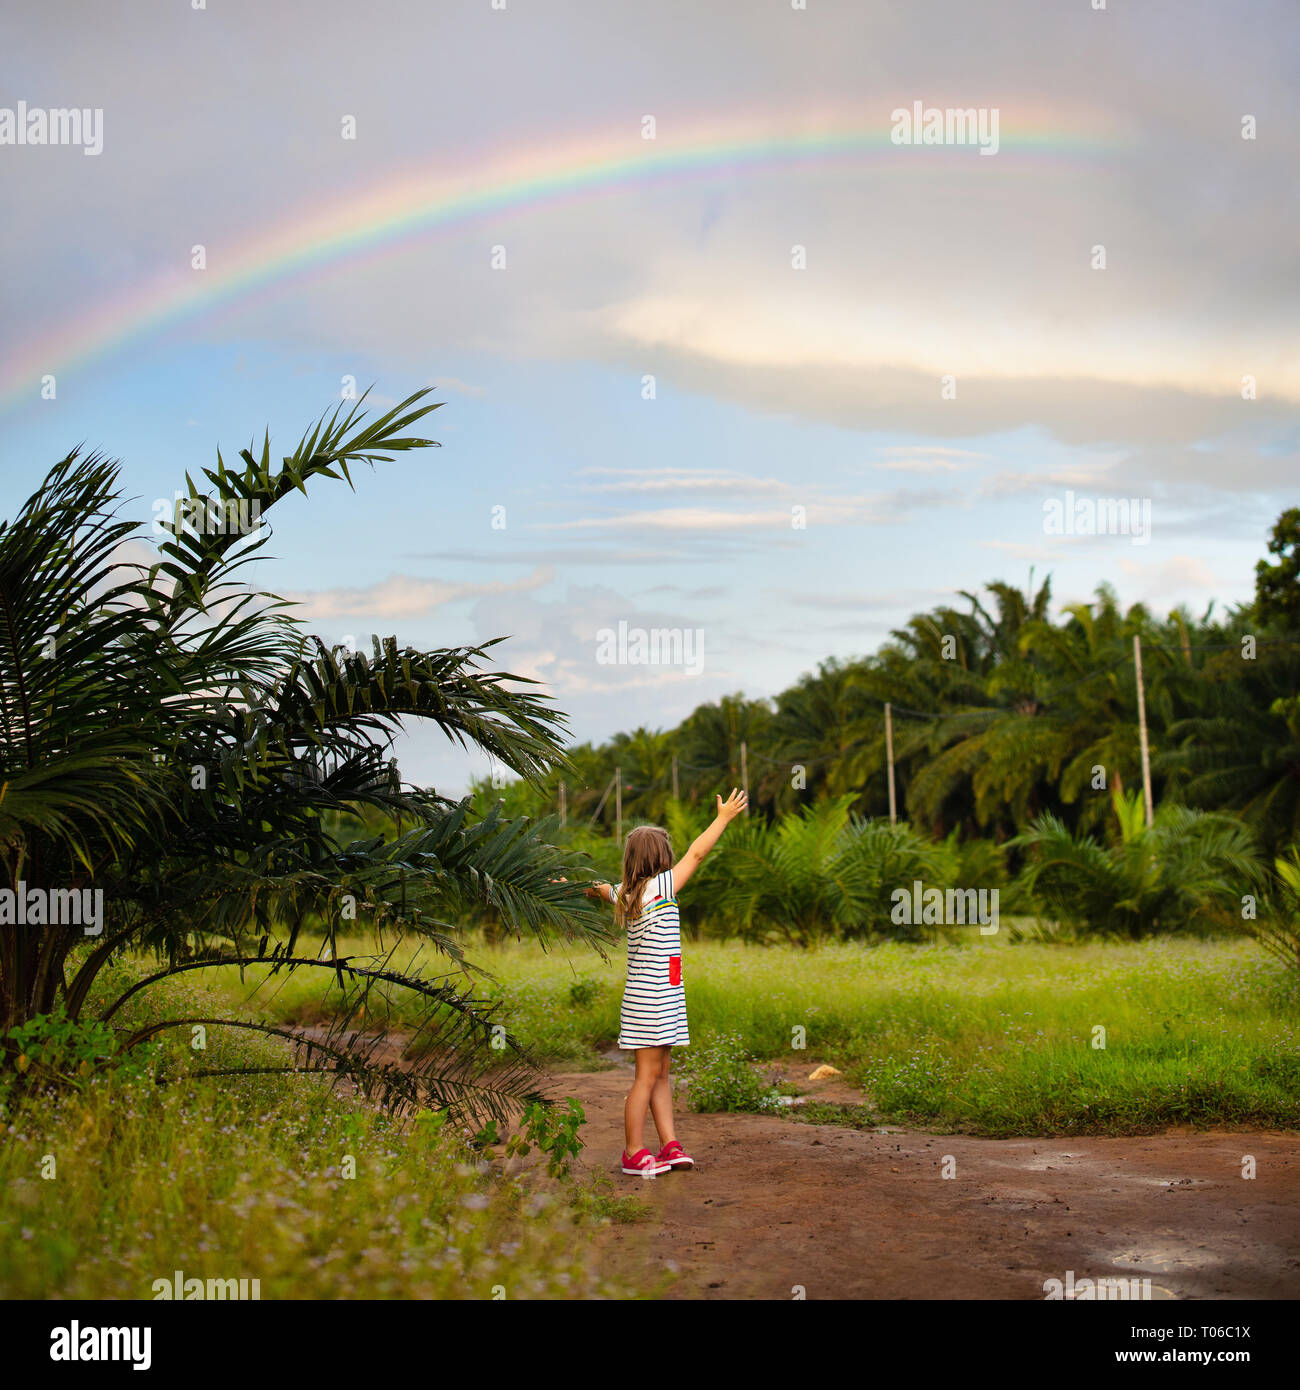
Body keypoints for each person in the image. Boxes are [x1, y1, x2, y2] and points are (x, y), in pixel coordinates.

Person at [587, 788, 748, 1176]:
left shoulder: (629, 893)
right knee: (646, 1077)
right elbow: (698, 852)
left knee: (660, 1074)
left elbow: (606, 889)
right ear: (661, 859)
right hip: (653, 999)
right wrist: (723, 818)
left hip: (663, 997)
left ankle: (669, 1144)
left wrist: (584, 886)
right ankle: (632, 1152)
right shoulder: (661, 887)